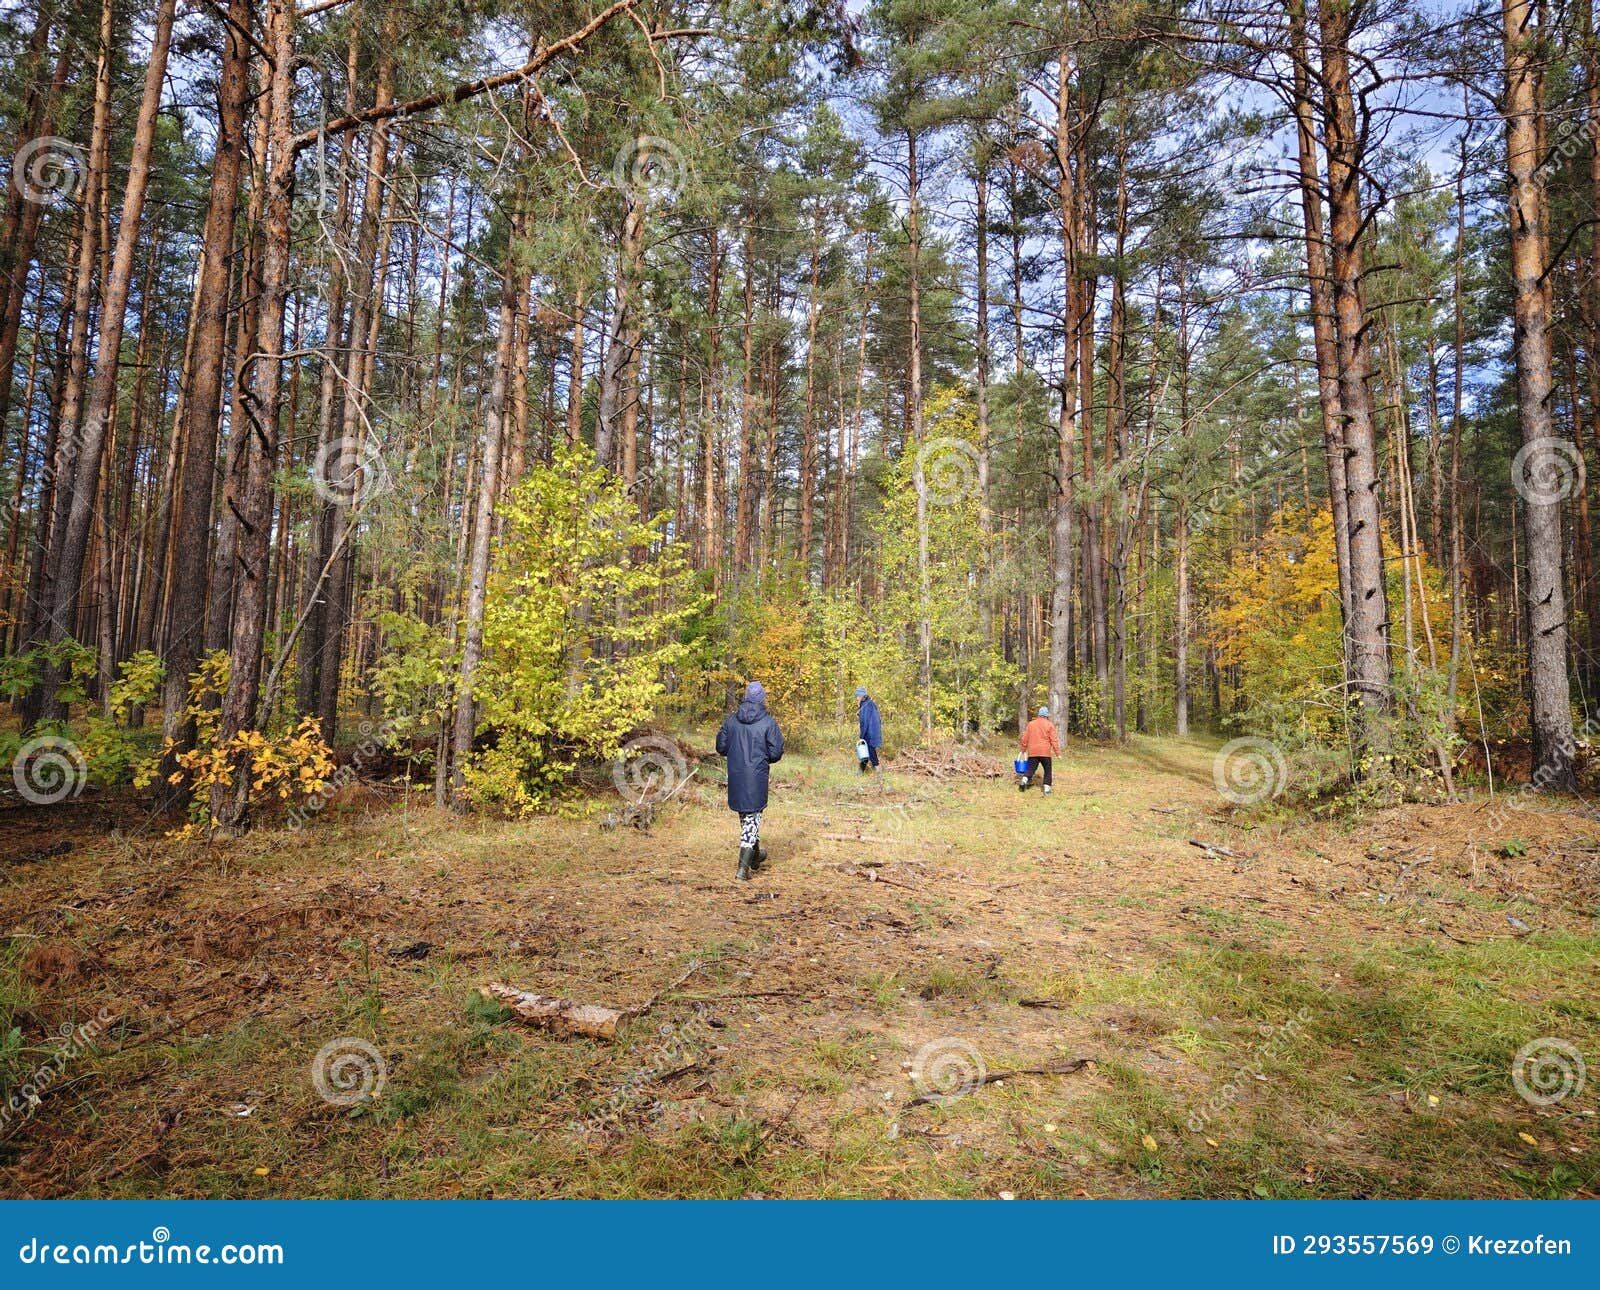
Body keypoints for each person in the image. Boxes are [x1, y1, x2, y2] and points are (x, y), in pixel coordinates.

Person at [716, 680, 785, 880]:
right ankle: (742, 870)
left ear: (746, 697)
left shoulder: (731, 720)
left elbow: (721, 747)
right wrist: (762, 758)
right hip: (756, 776)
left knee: (747, 818)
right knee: (751, 818)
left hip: (737, 775)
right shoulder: (768, 722)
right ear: (762, 699)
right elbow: (776, 752)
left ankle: (754, 857)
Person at [1018, 706, 1061, 795]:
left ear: (1039, 715)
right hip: (1045, 752)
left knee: (1030, 769)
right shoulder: (1050, 725)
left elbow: (1025, 738)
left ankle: (1024, 781)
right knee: (1047, 770)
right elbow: (1054, 740)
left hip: (1033, 752)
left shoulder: (1031, 724)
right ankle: (1047, 789)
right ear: (1047, 715)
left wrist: (1023, 749)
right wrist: (1057, 753)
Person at [855, 686, 882, 771]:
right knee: (867, 750)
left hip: (869, 732)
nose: (856, 698)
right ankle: (862, 770)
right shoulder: (869, 703)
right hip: (873, 730)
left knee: (868, 750)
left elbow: (865, 722)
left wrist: (862, 736)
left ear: (861, 696)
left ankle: (878, 770)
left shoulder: (865, 705)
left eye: (857, 696)